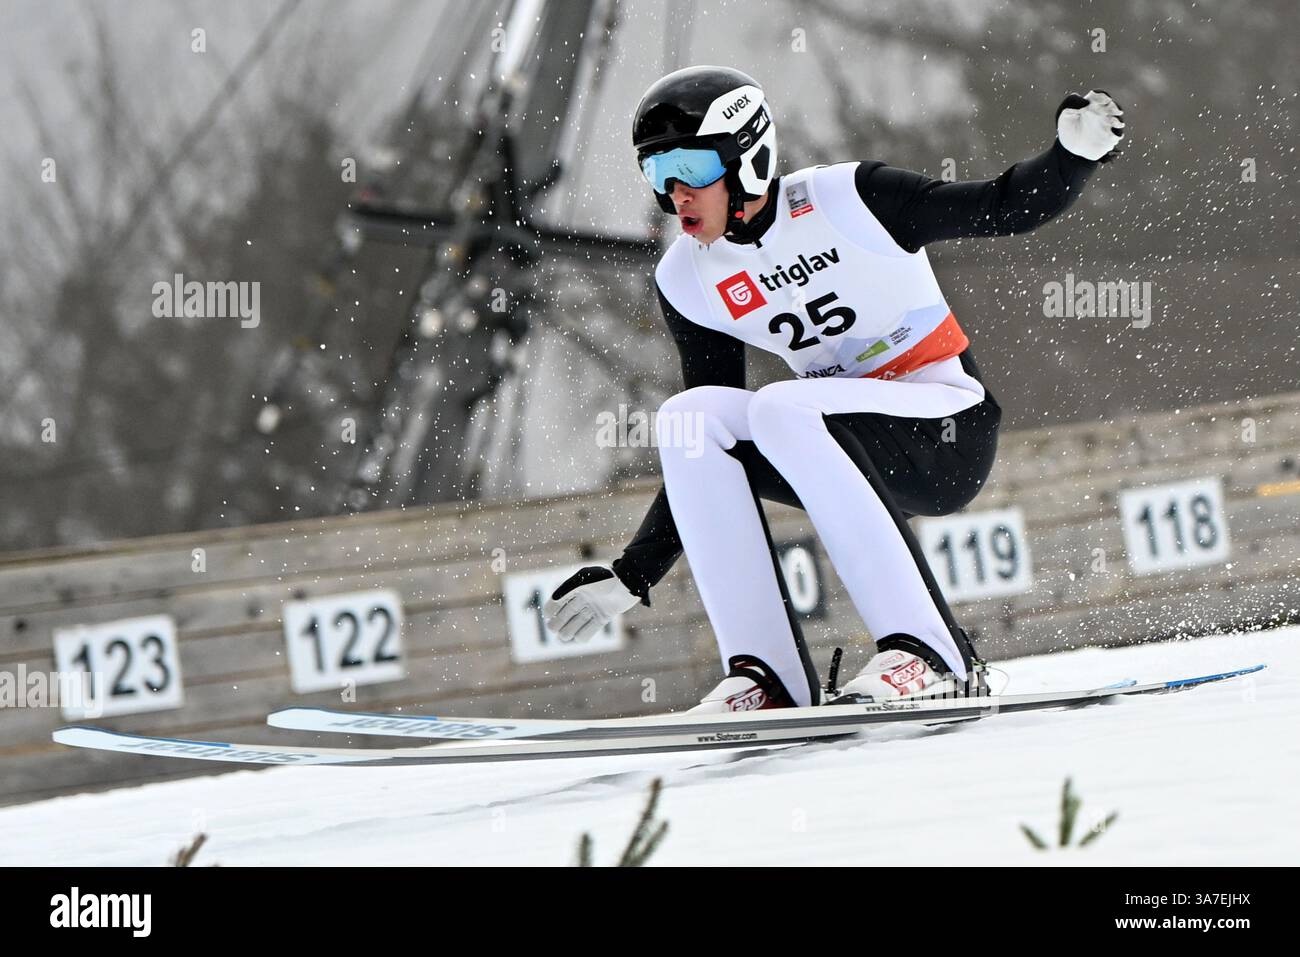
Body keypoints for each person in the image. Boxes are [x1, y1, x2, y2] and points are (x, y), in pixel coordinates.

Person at [543, 65, 1124, 713]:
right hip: (835, 446)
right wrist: (633, 572)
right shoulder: (687, 276)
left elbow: (1000, 207)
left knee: (783, 405)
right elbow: (709, 448)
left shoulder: (848, 199)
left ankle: (931, 652)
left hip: (945, 431)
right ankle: (767, 677)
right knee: (693, 415)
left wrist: (1071, 158)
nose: (676, 192)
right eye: (656, 173)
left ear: (749, 158)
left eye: (689, 167)